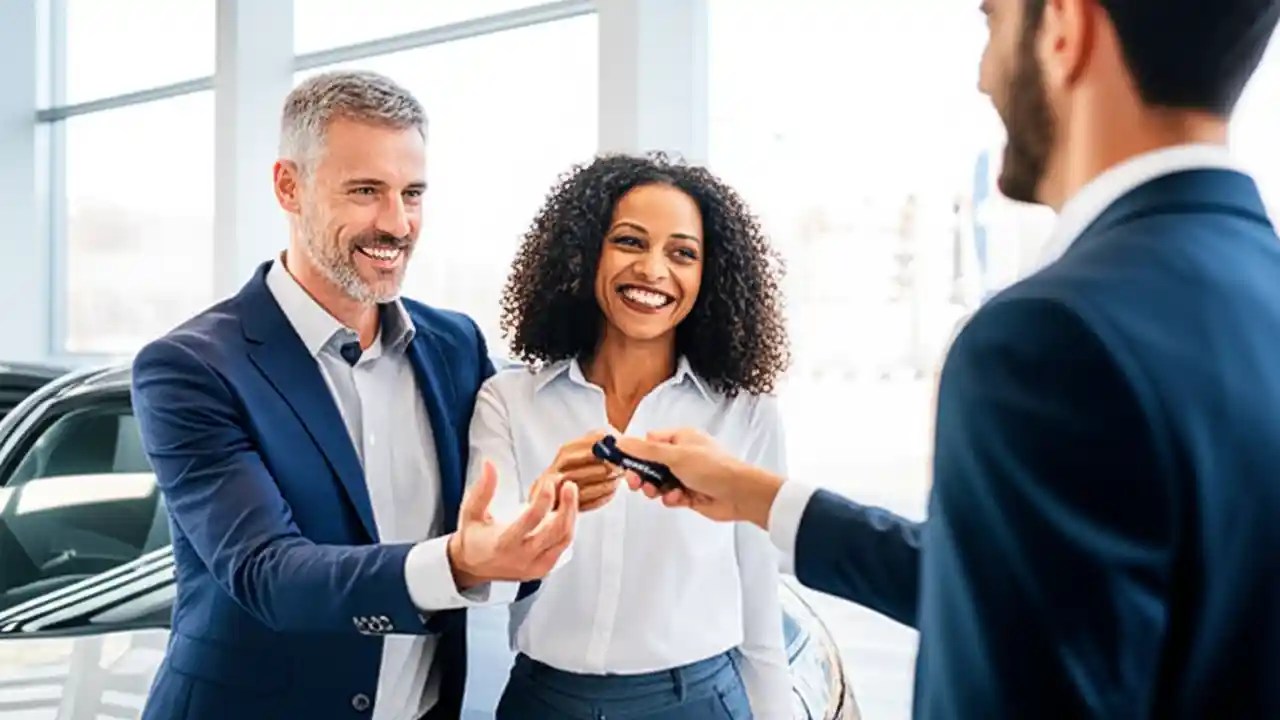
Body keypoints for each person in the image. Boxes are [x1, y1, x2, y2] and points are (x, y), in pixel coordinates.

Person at [617, 0, 1280, 717]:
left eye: (991, 22)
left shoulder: (1045, 338)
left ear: (1064, 28)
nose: (982, 78)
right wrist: (759, 498)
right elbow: (1049, 588)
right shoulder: (1253, 293)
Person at [130, 70, 578, 720]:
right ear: (289, 186)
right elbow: (269, 574)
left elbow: (495, 523)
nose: (396, 223)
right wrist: (454, 562)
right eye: (366, 191)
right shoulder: (190, 368)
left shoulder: (455, 347)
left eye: (413, 193)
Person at [468, 153, 793, 718]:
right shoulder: (509, 401)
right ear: (586, 252)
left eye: (682, 253)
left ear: (707, 276)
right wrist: (541, 511)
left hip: (697, 702)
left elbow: (761, 608)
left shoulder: (745, 414)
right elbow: (488, 587)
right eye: (629, 242)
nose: (653, 269)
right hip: (546, 702)